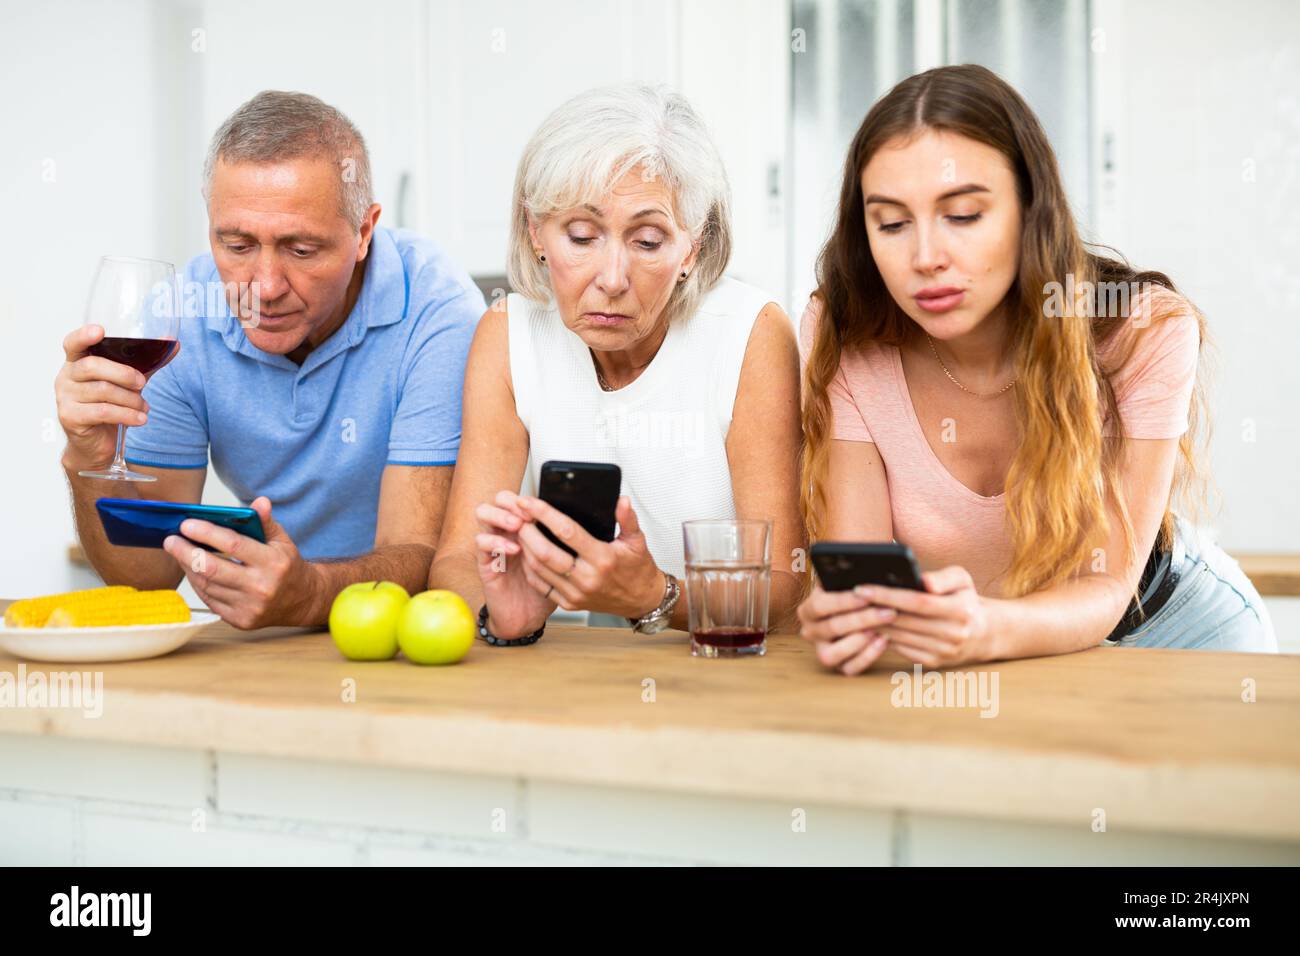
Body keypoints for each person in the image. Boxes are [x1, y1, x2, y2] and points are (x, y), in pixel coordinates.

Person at [796, 65, 1276, 675]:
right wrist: (845, 617)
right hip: (994, 654)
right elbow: (859, 570)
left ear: (1030, 208)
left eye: (964, 215)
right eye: (891, 223)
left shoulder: (1141, 331)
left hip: (1175, 631)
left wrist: (981, 628)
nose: (925, 258)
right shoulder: (845, 333)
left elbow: (1102, 589)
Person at [55, 91, 483, 628]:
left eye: (301, 250)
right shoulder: (180, 315)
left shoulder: (437, 310)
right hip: (269, 643)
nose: (263, 287)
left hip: (407, 639)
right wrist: (87, 457)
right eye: (236, 245)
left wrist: (309, 594)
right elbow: (147, 575)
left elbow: (422, 555)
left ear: (364, 233)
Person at [427, 84, 805, 643]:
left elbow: (782, 584)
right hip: (603, 671)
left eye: (648, 242)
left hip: (741, 668)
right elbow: (458, 558)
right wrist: (500, 613)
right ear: (536, 232)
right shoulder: (508, 334)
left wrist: (656, 596)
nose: (611, 278)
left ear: (692, 249)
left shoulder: (750, 333)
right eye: (581, 236)